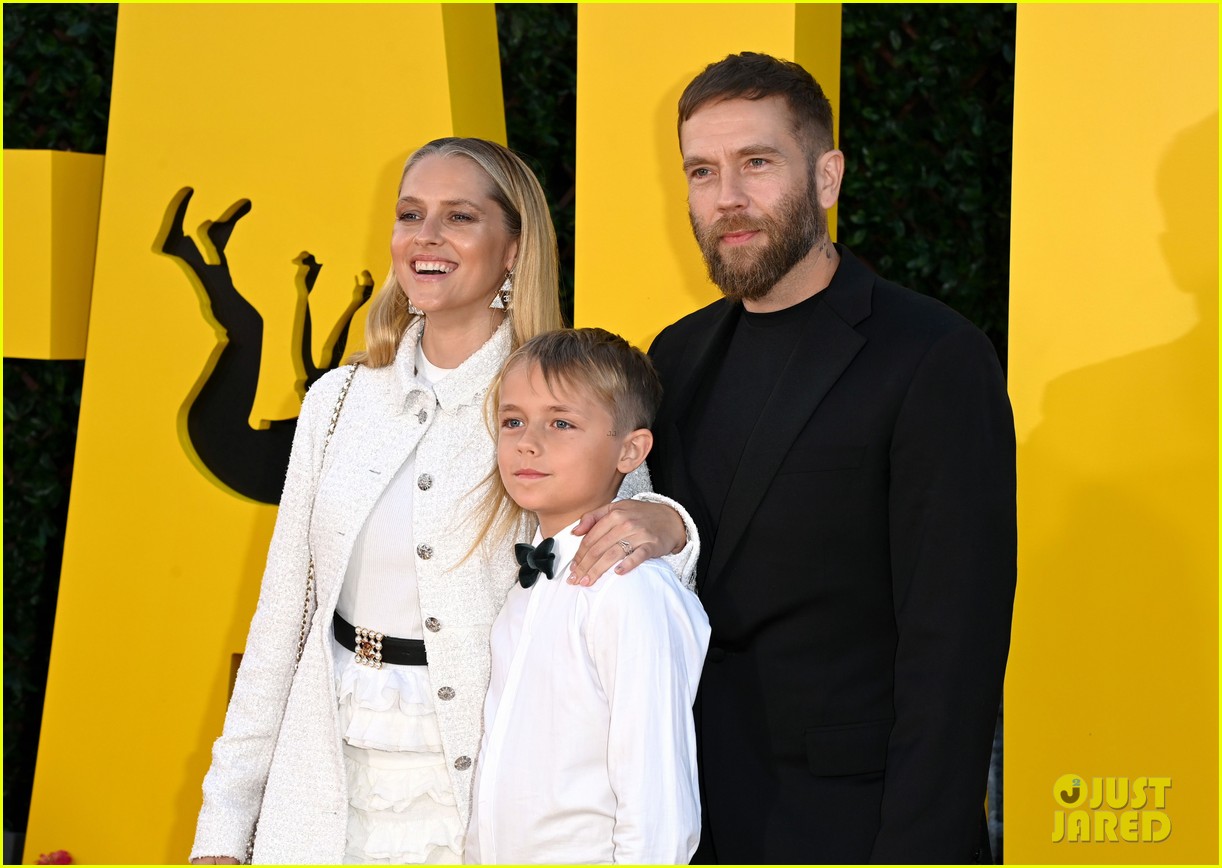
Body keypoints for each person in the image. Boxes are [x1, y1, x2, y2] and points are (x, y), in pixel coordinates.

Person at [189, 138, 694, 865]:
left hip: (477, 793)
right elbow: (281, 624)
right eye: (410, 214)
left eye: (459, 216)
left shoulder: (558, 404)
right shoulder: (336, 403)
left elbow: (641, 552)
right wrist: (223, 830)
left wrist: (674, 524)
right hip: (319, 778)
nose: (425, 236)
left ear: (514, 248)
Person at [641, 52, 1017, 863]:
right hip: (689, 819)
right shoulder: (675, 356)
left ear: (827, 175)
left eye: (757, 164)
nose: (727, 199)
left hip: (854, 827)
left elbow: (953, 651)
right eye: (702, 171)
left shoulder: (933, 357)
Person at [462, 328, 710, 865]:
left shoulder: (630, 587)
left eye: (561, 423)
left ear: (630, 450)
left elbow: (657, 799)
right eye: (512, 421)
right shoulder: (523, 585)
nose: (528, 441)